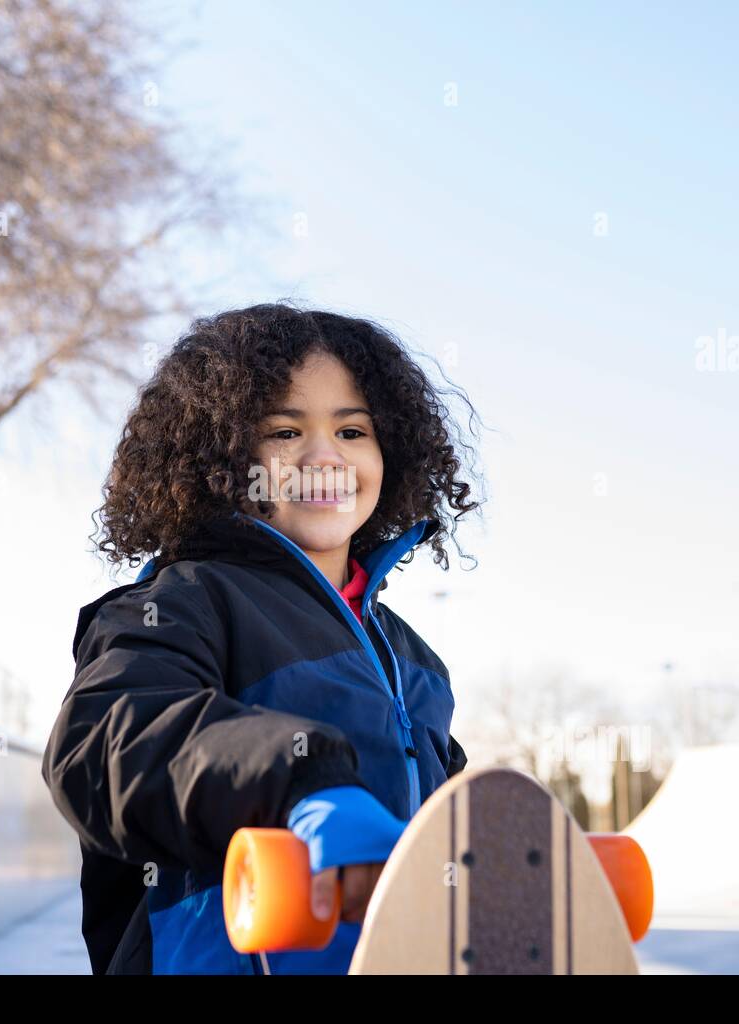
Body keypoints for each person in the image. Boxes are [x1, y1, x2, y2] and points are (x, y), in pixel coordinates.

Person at [41, 301, 481, 974]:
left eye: (353, 430)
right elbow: (108, 740)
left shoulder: (416, 660)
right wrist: (304, 787)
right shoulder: (180, 604)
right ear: (221, 456)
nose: (324, 456)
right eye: (283, 431)